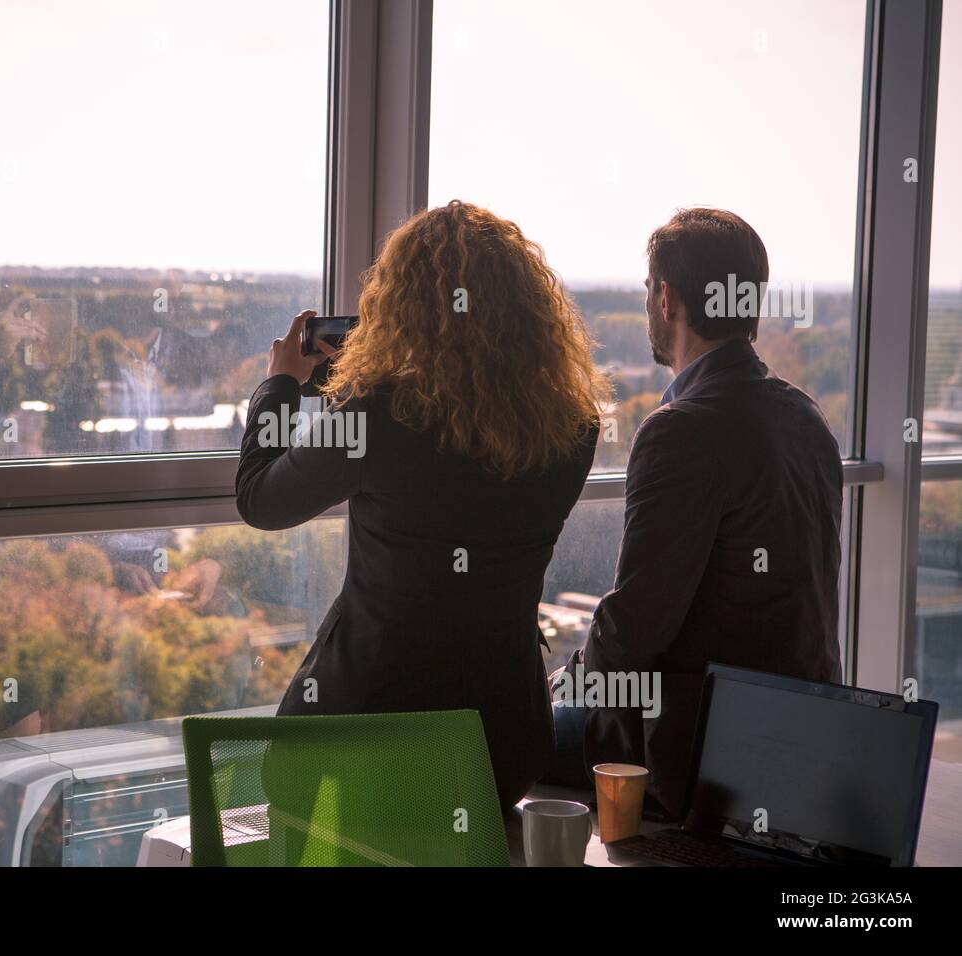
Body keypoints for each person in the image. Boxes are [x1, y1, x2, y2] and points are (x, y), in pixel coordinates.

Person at [236, 200, 610, 816]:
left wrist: (279, 385)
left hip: (355, 742)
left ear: (398, 308)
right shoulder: (572, 429)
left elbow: (261, 499)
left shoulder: (380, 413)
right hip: (501, 747)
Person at [550, 208, 843, 818]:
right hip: (805, 741)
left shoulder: (681, 430)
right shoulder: (806, 419)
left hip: (701, 753)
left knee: (495, 741)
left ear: (666, 299)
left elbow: (636, 627)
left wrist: (563, 684)